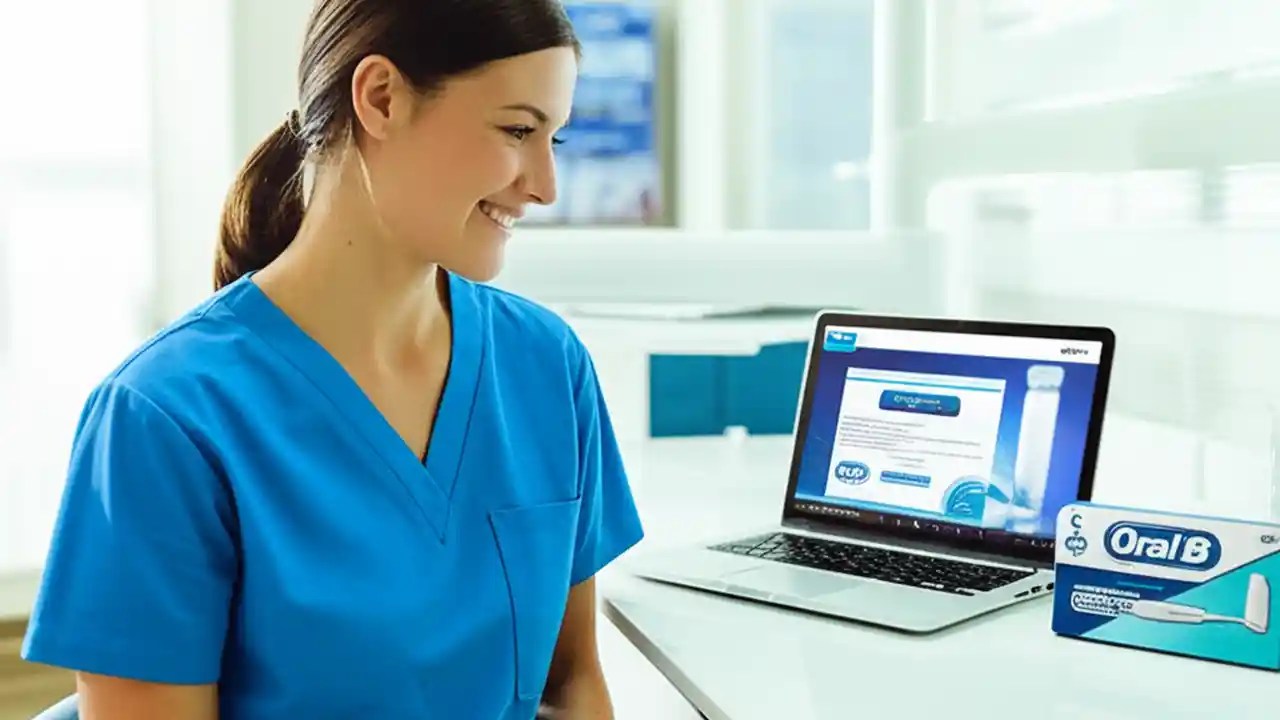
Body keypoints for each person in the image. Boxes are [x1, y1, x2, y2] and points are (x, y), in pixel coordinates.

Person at [20, 1, 644, 718]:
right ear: (381, 98)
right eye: (517, 130)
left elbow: (569, 686)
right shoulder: (165, 418)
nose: (545, 186)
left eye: (554, 140)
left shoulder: (546, 367)